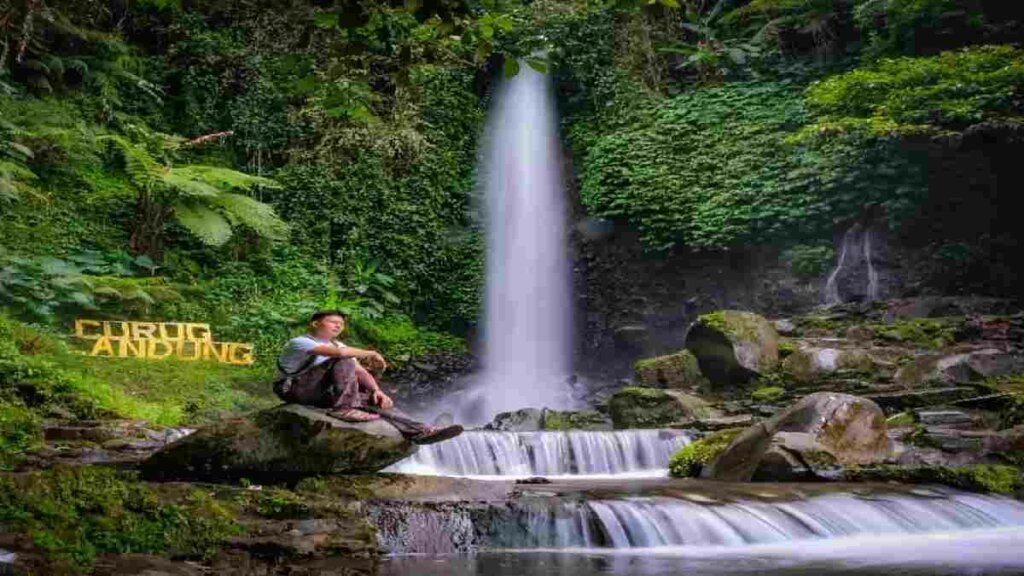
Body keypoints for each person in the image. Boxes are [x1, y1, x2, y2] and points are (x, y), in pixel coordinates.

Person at [276, 310, 463, 445]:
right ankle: (344, 408)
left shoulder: (339, 344)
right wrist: (371, 353)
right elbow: (341, 355)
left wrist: (377, 391)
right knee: (344, 357)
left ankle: (420, 431)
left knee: (374, 401)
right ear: (315, 323)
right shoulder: (300, 342)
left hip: (320, 392)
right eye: (333, 322)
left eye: (341, 324)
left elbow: (360, 372)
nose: (338, 326)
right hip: (294, 389)